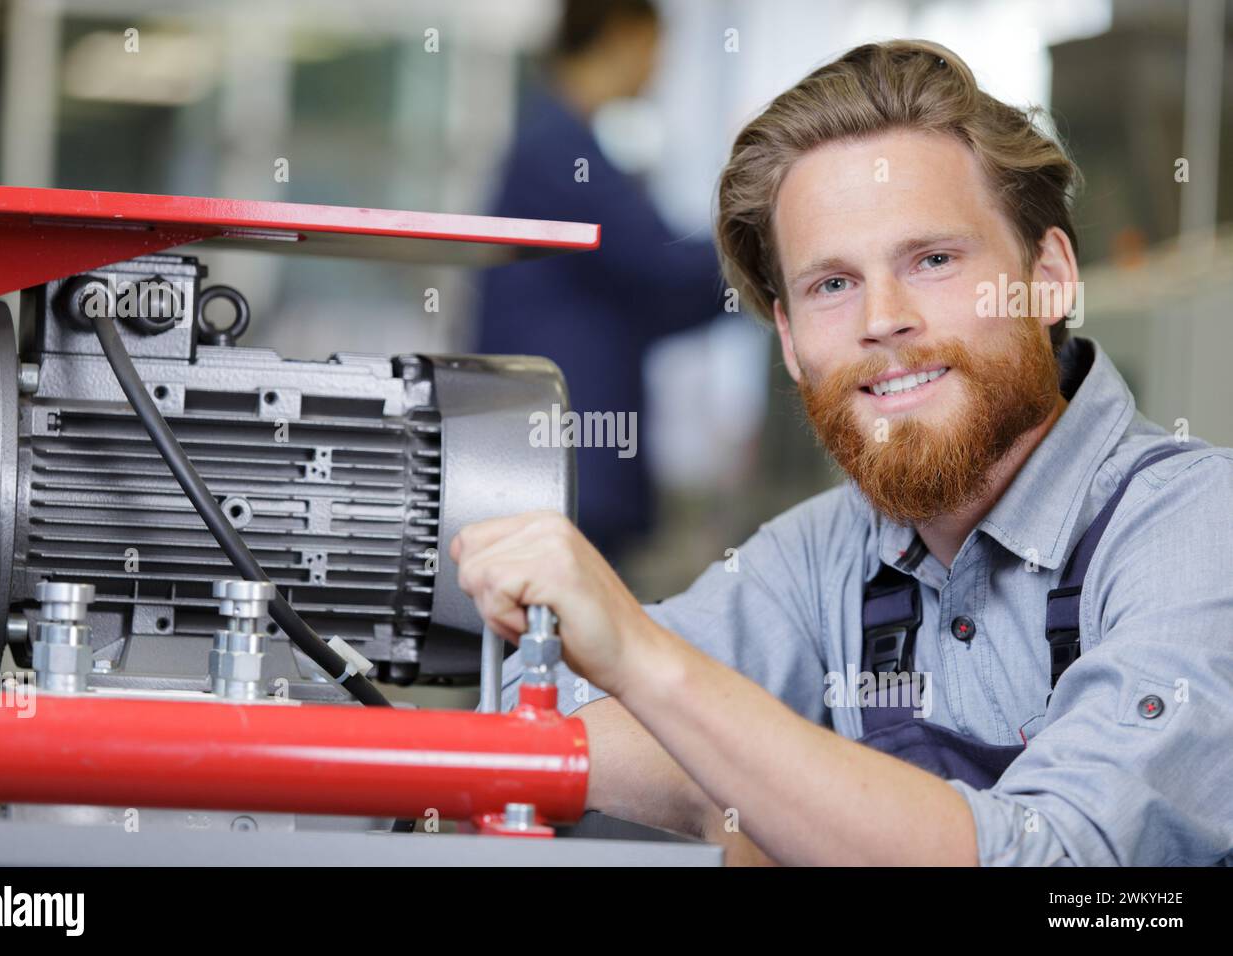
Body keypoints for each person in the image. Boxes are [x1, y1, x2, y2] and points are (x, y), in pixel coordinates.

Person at [451, 40, 1233, 866]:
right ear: (788, 340)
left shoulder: (1195, 532)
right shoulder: (824, 556)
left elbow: (1060, 870)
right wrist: (728, 803)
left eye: (933, 260)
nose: (882, 319)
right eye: (831, 284)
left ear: (1049, 278)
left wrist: (655, 676)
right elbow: (523, 738)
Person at [475, 0, 724, 565]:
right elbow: (662, 268)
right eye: (659, 47)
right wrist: (766, 237)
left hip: (567, 448)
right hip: (564, 455)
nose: (661, 66)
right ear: (623, 35)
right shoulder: (559, 151)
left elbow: (655, 295)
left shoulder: (562, 144)